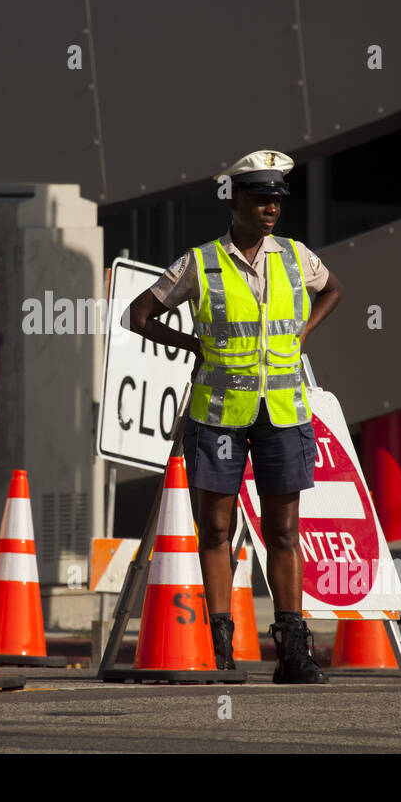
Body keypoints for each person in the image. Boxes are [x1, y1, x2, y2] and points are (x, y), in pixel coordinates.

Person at [126, 150, 342, 683]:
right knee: (216, 527)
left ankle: (294, 654)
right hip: (220, 414)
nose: (271, 207)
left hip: (285, 411)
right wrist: (190, 344)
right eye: (261, 197)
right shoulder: (199, 262)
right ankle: (221, 653)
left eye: (277, 199)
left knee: (284, 530)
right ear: (235, 199)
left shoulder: (296, 257)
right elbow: (140, 313)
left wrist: (305, 332)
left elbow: (334, 290)